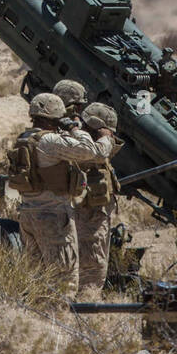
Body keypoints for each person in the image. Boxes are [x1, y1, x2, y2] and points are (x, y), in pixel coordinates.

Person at [8, 93, 107, 294]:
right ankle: (60, 319)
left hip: (28, 214)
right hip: (53, 217)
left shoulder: (25, 139)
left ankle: (36, 318)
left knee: (37, 277)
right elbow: (88, 150)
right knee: (64, 279)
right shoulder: (49, 142)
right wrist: (75, 128)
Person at [75, 101, 122, 299]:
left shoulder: (93, 145)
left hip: (95, 214)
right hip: (89, 216)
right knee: (93, 259)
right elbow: (99, 153)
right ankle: (89, 300)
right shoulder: (87, 149)